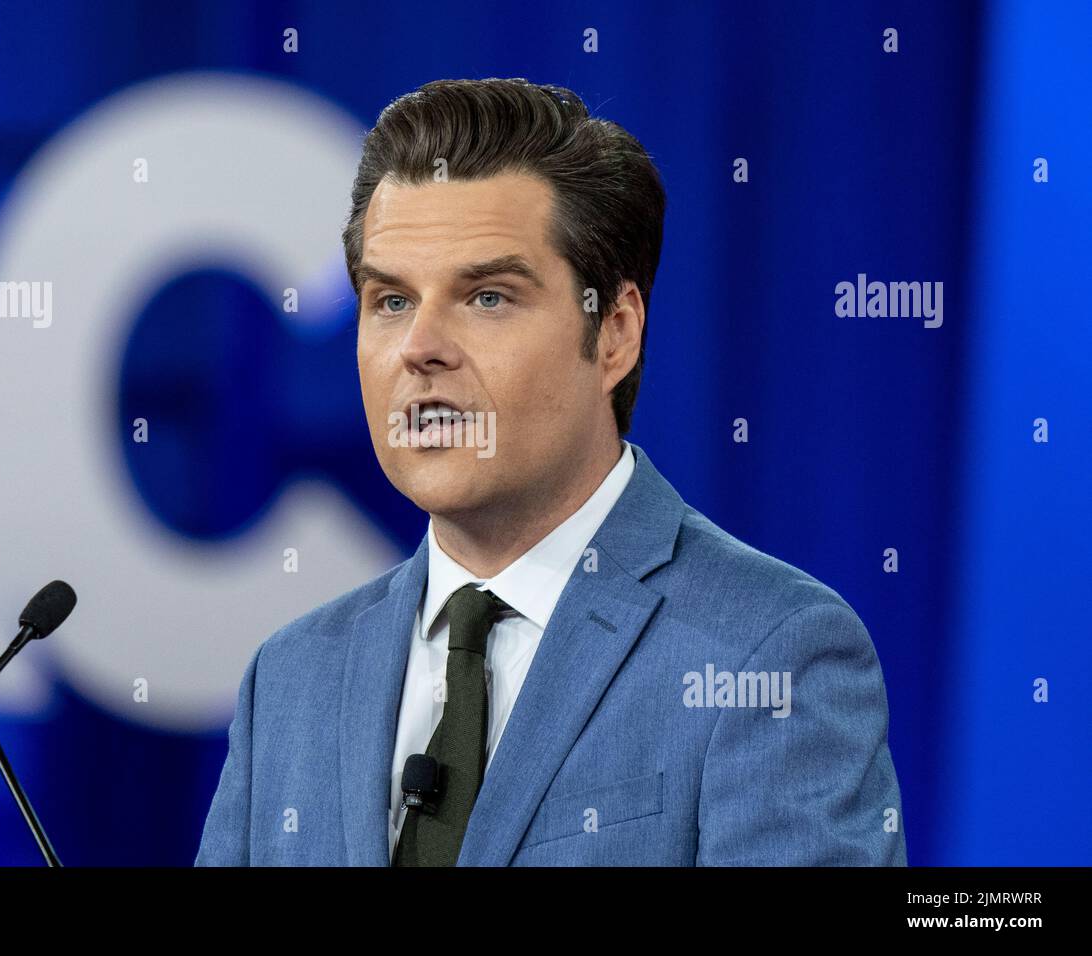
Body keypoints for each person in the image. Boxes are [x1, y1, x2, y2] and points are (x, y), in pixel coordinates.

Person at [196, 77, 906, 866]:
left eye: (488, 296)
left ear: (615, 335)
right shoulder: (291, 679)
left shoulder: (767, 652)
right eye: (390, 301)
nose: (420, 346)